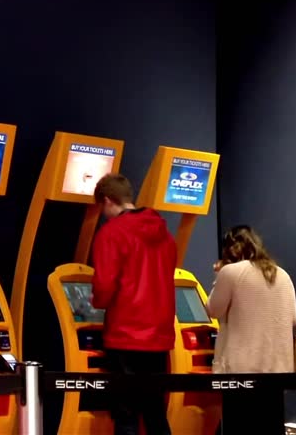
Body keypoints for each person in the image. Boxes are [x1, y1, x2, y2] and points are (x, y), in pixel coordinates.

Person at [91, 173, 177, 435]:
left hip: (125, 336)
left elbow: (105, 286)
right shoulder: (164, 233)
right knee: (155, 413)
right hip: (160, 337)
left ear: (106, 201)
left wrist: (95, 302)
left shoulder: (111, 233)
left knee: (126, 415)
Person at [207, 225, 296, 434]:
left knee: (241, 426)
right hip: (277, 372)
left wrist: (218, 276)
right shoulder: (281, 274)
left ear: (228, 250)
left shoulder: (230, 272)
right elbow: (293, 319)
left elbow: (213, 309)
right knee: (270, 425)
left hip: (241, 373)